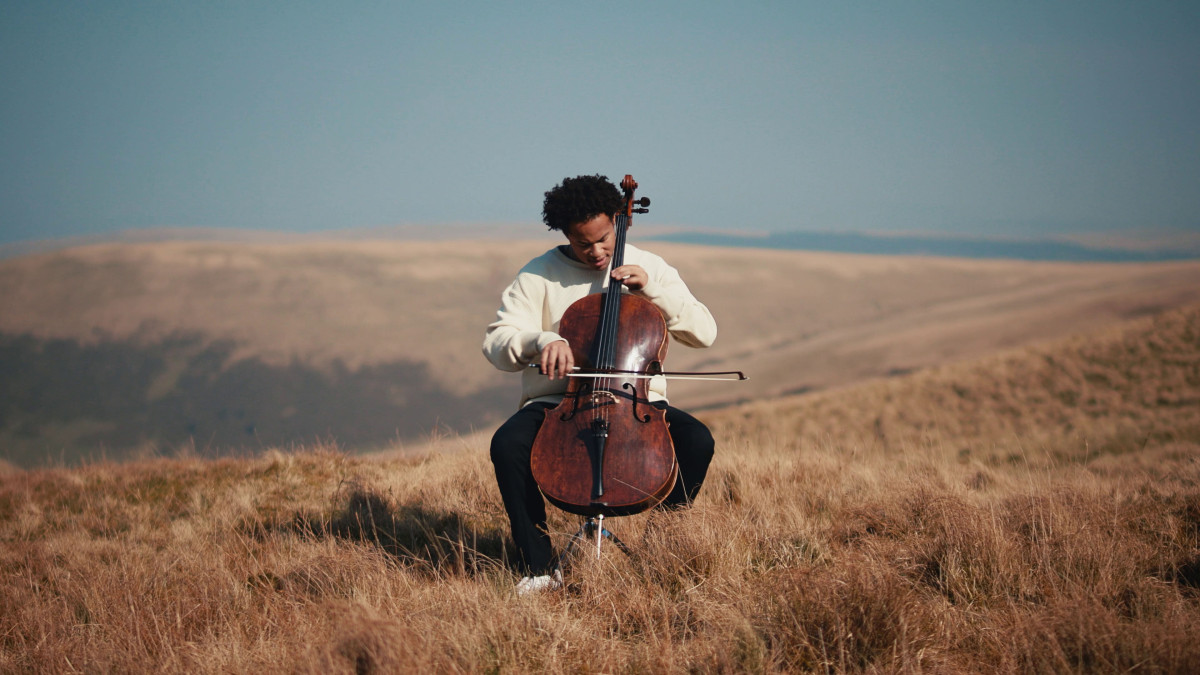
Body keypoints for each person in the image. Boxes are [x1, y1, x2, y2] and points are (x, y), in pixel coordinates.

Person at [482, 174, 718, 594]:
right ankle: (538, 568)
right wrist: (542, 340)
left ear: (617, 220)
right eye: (582, 243)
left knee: (697, 440)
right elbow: (497, 343)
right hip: (561, 399)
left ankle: (662, 546)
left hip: (635, 399)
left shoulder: (651, 266)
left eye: (604, 239)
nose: (596, 252)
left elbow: (704, 333)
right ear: (566, 235)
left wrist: (654, 292)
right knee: (507, 444)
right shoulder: (539, 274)